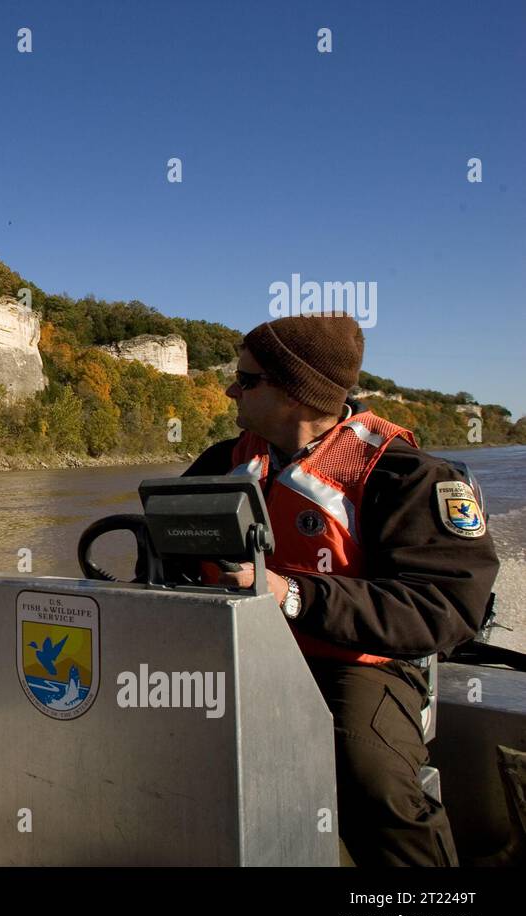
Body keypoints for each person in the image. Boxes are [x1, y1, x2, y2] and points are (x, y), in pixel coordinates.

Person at [181, 313, 499, 866]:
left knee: (367, 773)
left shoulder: (406, 476)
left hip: (360, 661)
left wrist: (293, 593)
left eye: (248, 380)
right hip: (235, 649)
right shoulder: (221, 464)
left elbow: (445, 606)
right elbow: (165, 551)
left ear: (297, 394)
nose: (232, 389)